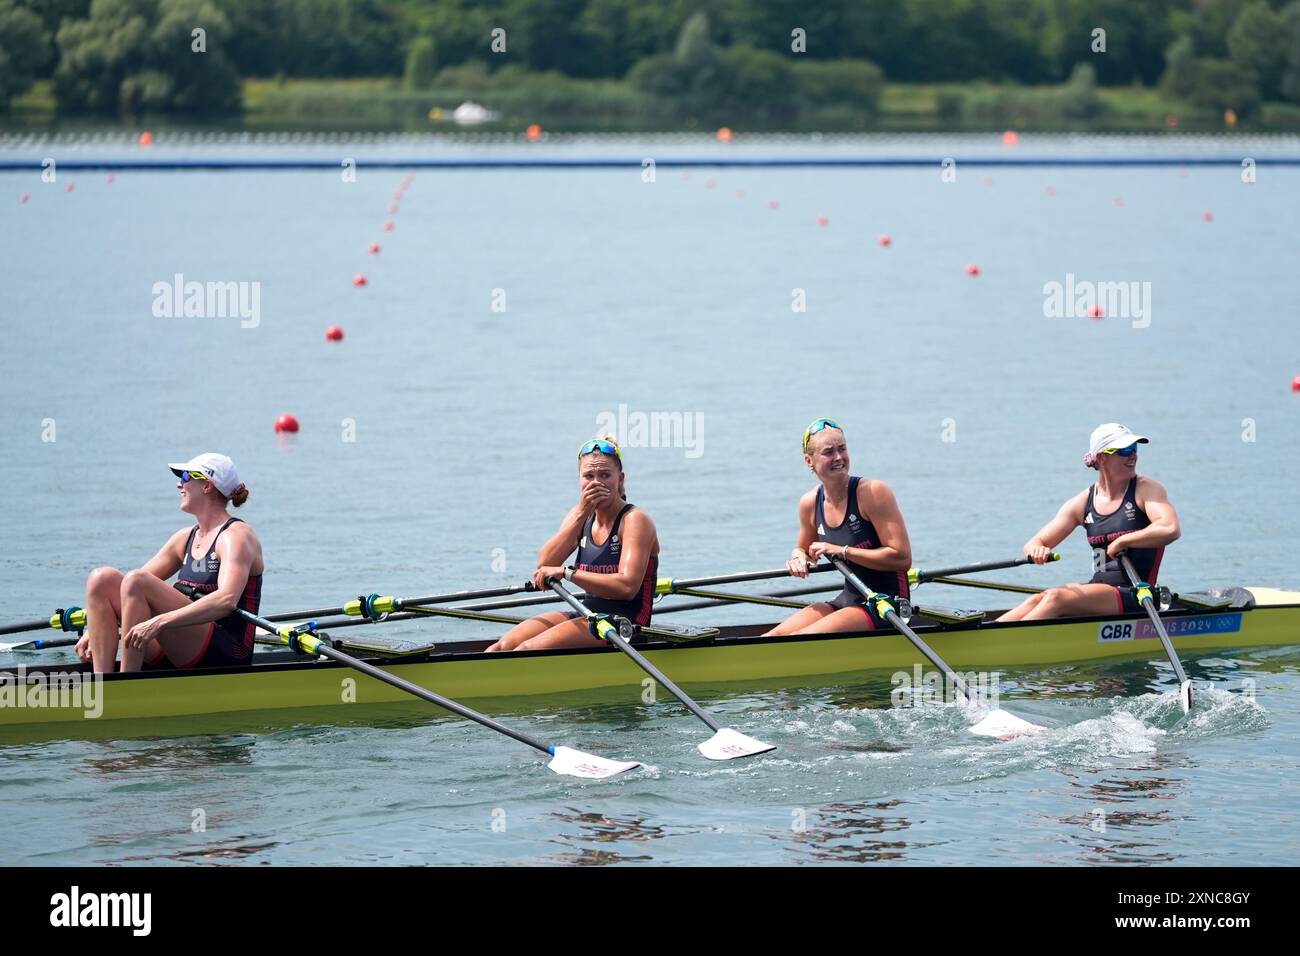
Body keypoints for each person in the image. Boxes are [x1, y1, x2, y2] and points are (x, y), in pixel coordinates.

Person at [75, 453, 264, 672]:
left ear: (207, 486)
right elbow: (126, 588)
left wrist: (159, 622)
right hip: (182, 644)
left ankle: (126, 684)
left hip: (227, 653)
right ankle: (103, 681)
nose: (178, 484)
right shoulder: (184, 538)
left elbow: (226, 600)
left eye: (184, 476)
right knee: (102, 579)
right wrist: (96, 628)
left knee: (138, 581)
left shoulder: (236, 537)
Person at [486, 437, 659, 652]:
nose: (596, 483)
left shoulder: (634, 520)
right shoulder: (580, 515)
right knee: (502, 647)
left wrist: (567, 573)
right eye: (589, 476)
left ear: (620, 479)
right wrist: (581, 514)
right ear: (579, 479)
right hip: (588, 613)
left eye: (605, 475)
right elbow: (545, 564)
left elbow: (626, 588)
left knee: (526, 650)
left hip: (625, 625)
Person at [997, 423, 1180, 622]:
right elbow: (1035, 542)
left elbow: (1170, 528)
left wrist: (1123, 541)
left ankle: (999, 649)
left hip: (1137, 594)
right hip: (1100, 591)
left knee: (1057, 598)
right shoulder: (1082, 502)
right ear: (1102, 457)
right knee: (1039, 599)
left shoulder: (1146, 490)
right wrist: (1037, 549)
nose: (1133, 455)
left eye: (1134, 449)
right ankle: (988, 638)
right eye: (1125, 450)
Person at [764, 419, 912, 635]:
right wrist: (798, 557)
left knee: (798, 639)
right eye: (829, 452)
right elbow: (802, 548)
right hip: (848, 600)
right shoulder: (810, 503)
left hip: (888, 604)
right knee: (772, 637)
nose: (839, 457)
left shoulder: (873, 493)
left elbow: (902, 558)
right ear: (809, 461)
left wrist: (842, 551)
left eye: (842, 448)